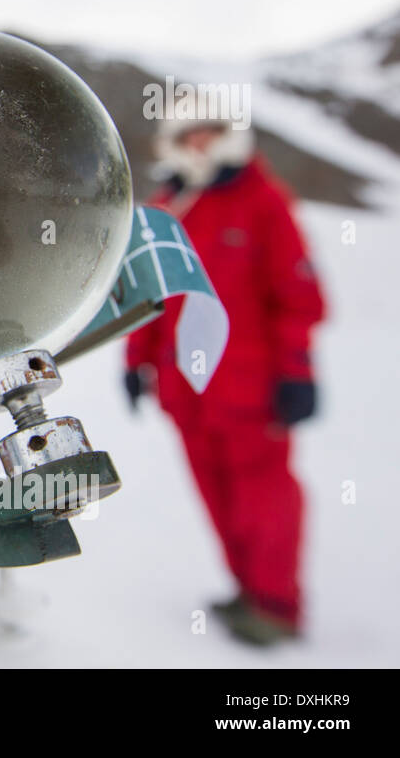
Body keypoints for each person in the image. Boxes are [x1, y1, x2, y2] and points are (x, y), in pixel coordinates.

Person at [124, 107, 325, 646]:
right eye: (188, 133)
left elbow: (298, 295)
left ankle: (276, 604)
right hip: (186, 397)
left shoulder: (261, 199)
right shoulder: (167, 207)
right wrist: (134, 363)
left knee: (264, 502)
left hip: (250, 392)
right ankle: (247, 589)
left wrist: (297, 372)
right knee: (217, 499)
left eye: (209, 131)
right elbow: (150, 298)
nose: (199, 142)